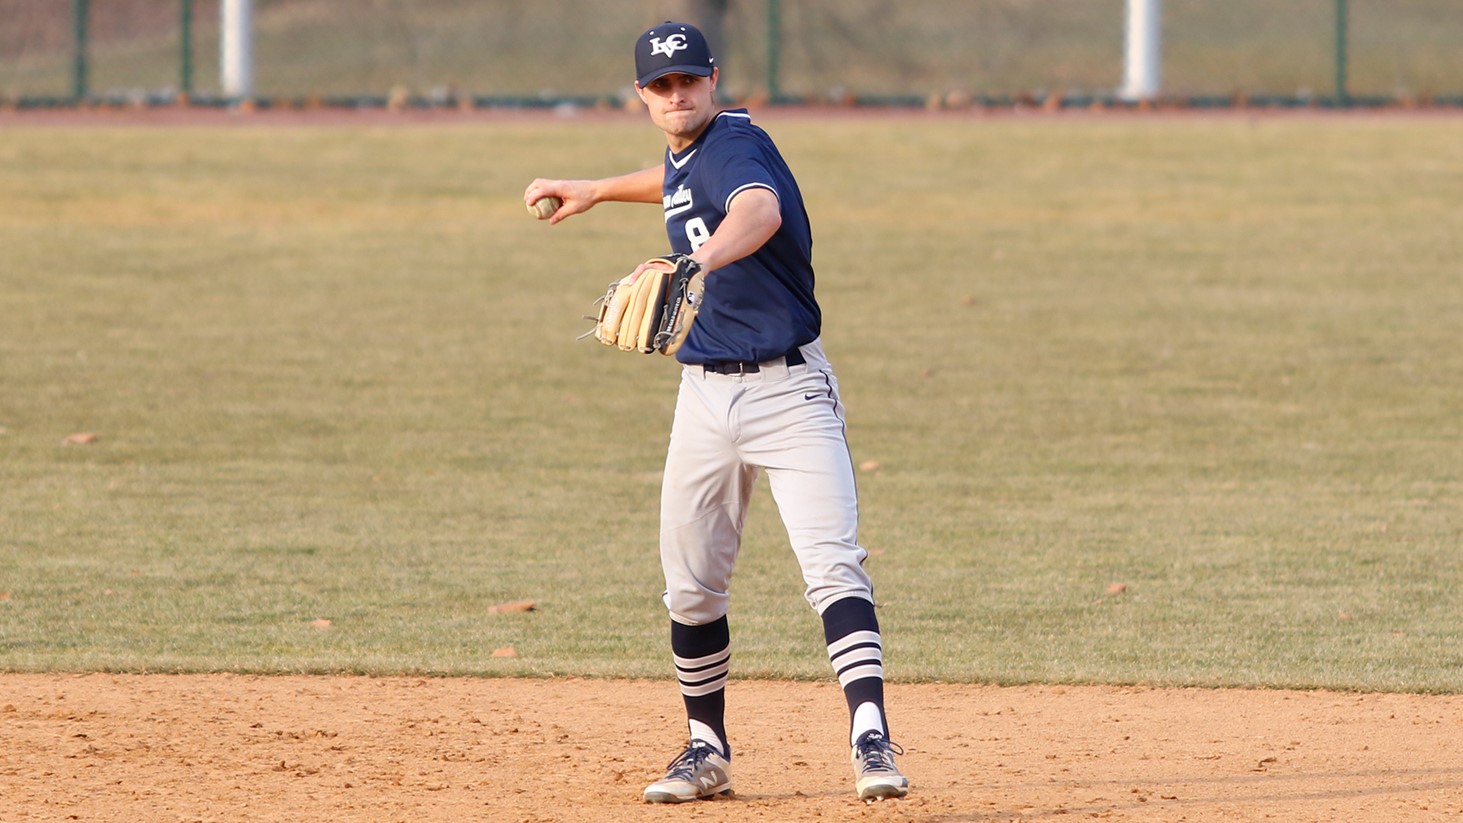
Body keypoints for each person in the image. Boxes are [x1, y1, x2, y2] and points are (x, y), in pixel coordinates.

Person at [523, 21, 909, 804]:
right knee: (691, 585)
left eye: (689, 81)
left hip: (788, 392)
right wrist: (596, 189)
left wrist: (698, 259)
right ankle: (706, 749)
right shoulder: (688, 151)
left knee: (831, 563)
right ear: (641, 94)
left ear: (713, 79)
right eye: (661, 86)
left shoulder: (738, 144)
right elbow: (676, 180)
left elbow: (757, 210)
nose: (677, 95)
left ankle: (870, 736)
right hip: (702, 395)